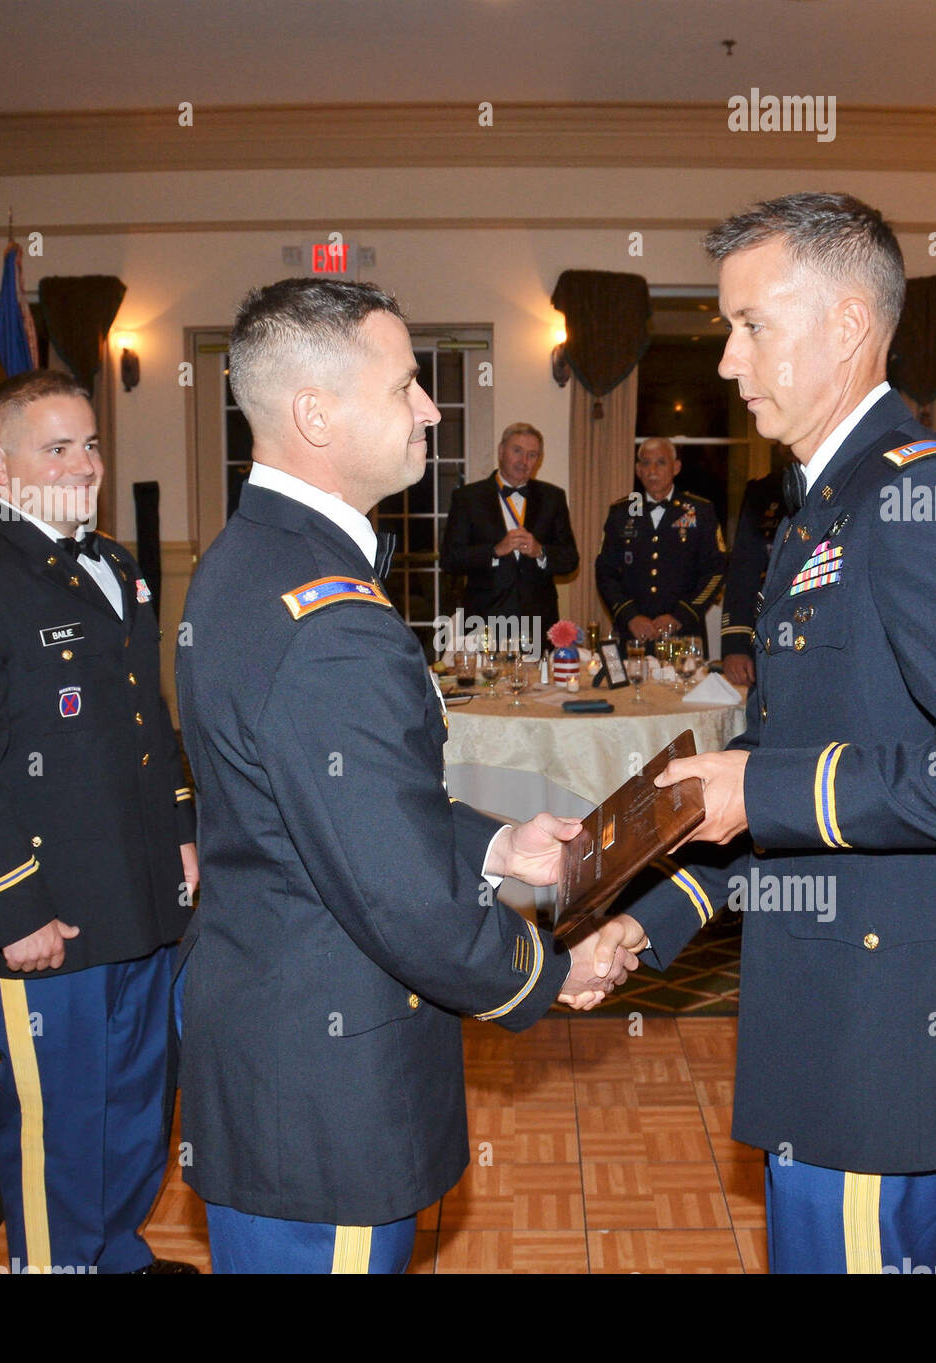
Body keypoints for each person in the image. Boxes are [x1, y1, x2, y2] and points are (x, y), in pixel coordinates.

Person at [618, 193, 936, 1274]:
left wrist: (767, 791)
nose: (730, 364)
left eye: (751, 325)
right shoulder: (824, 508)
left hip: (883, 1024)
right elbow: (781, 772)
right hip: (832, 992)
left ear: (845, 324)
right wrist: (651, 925)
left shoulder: (928, 503)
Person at [174, 279, 644, 1275]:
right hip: (327, 1096)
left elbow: (341, 817)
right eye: (404, 388)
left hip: (279, 1039)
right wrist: (549, 973)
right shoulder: (328, 620)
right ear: (316, 413)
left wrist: (491, 845)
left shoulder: (250, 559)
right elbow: (392, 892)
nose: (431, 410)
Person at [0, 370, 199, 1274]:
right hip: (45, 913)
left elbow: (151, 718)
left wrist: (182, 830)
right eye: (56, 447)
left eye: (91, 444)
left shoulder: (119, 570)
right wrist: (10, 908)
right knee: (61, 1117)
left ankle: (116, 1254)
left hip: (141, 898)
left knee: (139, 1100)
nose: (82, 465)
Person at [440, 421, 578, 644]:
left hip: (538, 623)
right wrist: (494, 551)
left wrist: (541, 552)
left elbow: (571, 560)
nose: (524, 461)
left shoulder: (553, 497)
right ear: (501, 451)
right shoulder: (468, 498)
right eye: (517, 451)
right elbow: (450, 559)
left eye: (532, 455)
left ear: (538, 460)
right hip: (484, 620)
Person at [594, 437, 727, 644]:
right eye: (646, 463)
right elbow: (605, 572)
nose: (652, 470)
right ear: (638, 470)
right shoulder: (623, 510)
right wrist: (629, 616)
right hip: (633, 635)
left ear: (676, 467)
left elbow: (715, 572)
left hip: (683, 634)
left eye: (661, 462)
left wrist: (680, 616)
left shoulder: (699, 511)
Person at [720, 465, 786, 686]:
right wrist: (735, 645)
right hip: (764, 640)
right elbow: (743, 571)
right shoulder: (764, 491)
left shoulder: (848, 479)